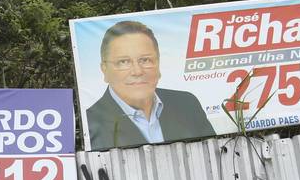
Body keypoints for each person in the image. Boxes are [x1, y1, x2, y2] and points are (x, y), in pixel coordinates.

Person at [86, 20, 215, 151]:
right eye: (123, 62)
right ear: (105, 70)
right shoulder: (90, 121)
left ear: (158, 63)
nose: (137, 71)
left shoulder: (187, 103)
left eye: (145, 60)